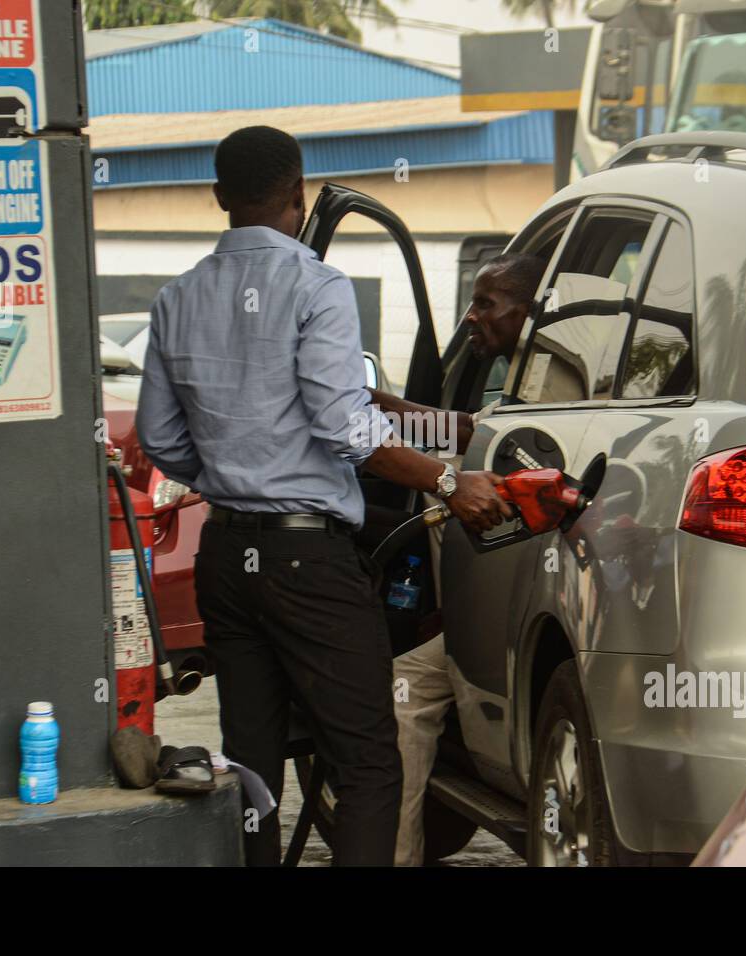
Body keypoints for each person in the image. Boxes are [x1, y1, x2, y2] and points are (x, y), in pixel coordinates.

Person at [135, 125, 511, 867]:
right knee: (369, 761)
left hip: (227, 556)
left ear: (219, 198)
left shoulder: (176, 299)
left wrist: (235, 472)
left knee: (251, 764)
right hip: (307, 562)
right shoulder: (316, 284)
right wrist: (448, 479)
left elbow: (162, 439)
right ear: (299, 197)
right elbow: (346, 424)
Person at [366, 252, 548, 866]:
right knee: (404, 692)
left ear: (528, 310)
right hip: (490, 614)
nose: (472, 317)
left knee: (402, 697)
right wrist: (377, 402)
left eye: (486, 303)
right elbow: (465, 430)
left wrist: (375, 410)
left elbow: (468, 438)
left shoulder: (557, 386)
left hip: (526, 613)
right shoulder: (527, 381)